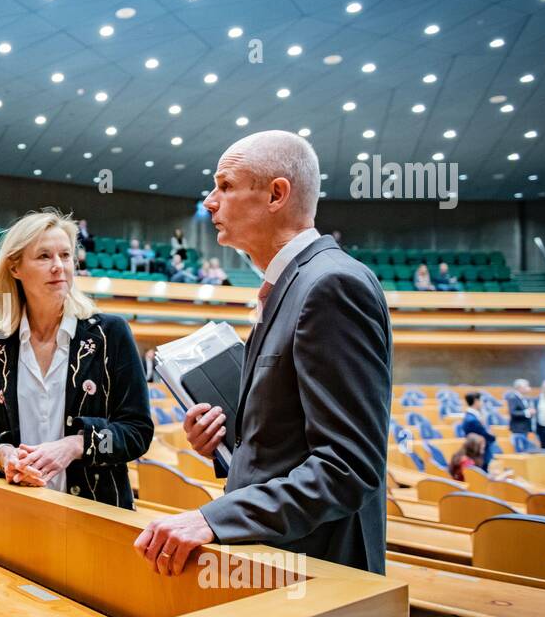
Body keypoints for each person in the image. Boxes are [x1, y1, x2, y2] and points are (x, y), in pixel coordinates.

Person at [135, 130, 391, 576]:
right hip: (277, 560)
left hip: (321, 575)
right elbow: (286, 446)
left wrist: (211, 518)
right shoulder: (287, 285)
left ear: (276, 194)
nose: (210, 202)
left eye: (226, 185)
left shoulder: (330, 285)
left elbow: (347, 468)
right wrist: (228, 443)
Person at [0, 209, 153, 509]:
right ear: (15, 267)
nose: (59, 267)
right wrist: (5, 457)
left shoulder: (111, 334)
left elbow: (137, 433)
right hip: (19, 508)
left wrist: (75, 445)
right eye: (44, 257)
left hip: (97, 515)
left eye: (65, 256)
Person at [460, 391, 497, 469]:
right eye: (481, 401)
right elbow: (486, 435)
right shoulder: (472, 419)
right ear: (476, 401)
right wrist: (493, 435)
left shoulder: (474, 416)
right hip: (479, 453)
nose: (482, 403)